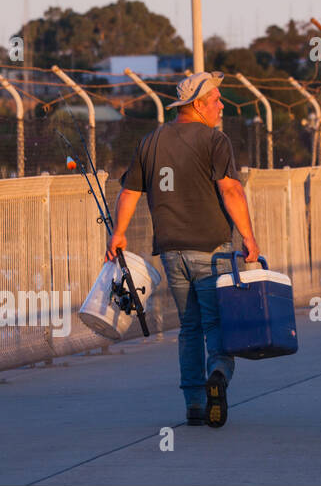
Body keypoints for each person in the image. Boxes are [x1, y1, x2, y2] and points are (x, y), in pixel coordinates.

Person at [106, 71, 261, 429]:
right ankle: (218, 375)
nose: (222, 106)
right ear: (198, 104)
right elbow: (232, 191)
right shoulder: (215, 140)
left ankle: (193, 404)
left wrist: (118, 234)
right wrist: (249, 237)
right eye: (217, 100)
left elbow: (129, 192)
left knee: (189, 328)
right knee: (217, 323)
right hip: (213, 250)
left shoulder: (152, 140)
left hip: (171, 250)